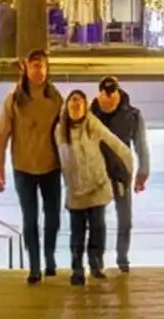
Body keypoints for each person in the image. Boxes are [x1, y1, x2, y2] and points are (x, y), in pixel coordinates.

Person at [0, 49, 63, 284]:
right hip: (24, 168)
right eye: (34, 66)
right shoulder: (14, 100)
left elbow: (67, 132)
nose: (39, 70)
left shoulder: (55, 98)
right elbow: (2, 135)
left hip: (52, 167)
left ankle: (49, 256)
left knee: (53, 218)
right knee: (30, 219)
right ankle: (34, 266)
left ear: (47, 68)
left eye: (42, 66)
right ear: (26, 68)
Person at [55, 89, 134, 286]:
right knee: (77, 232)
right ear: (67, 105)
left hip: (97, 187)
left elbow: (116, 144)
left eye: (80, 101)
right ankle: (77, 269)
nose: (76, 104)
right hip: (75, 191)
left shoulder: (92, 124)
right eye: (73, 100)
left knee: (98, 228)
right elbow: (62, 160)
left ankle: (96, 264)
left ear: (85, 105)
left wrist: (129, 167)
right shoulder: (60, 130)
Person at [90, 75, 151, 273]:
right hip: (96, 174)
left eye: (112, 94)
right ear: (99, 95)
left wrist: (143, 172)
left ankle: (122, 257)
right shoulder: (90, 114)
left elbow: (141, 144)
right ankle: (96, 259)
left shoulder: (132, 115)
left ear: (118, 93)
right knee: (96, 220)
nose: (109, 98)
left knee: (125, 219)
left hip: (121, 174)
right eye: (105, 95)